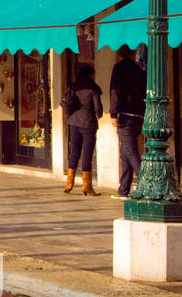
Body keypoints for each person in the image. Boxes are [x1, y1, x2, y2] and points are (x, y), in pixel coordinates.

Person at [62, 62, 104, 196]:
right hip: (88, 124)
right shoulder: (93, 88)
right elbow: (98, 109)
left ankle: (69, 184)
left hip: (73, 123)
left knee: (74, 152)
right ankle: (87, 186)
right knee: (86, 154)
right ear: (90, 74)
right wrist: (99, 113)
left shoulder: (74, 86)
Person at [110, 46, 145, 199]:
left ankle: (146, 184)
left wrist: (113, 113)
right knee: (125, 153)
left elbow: (115, 92)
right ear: (133, 54)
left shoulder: (118, 68)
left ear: (119, 55)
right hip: (138, 116)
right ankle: (123, 189)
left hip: (125, 116)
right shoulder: (139, 70)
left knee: (130, 152)